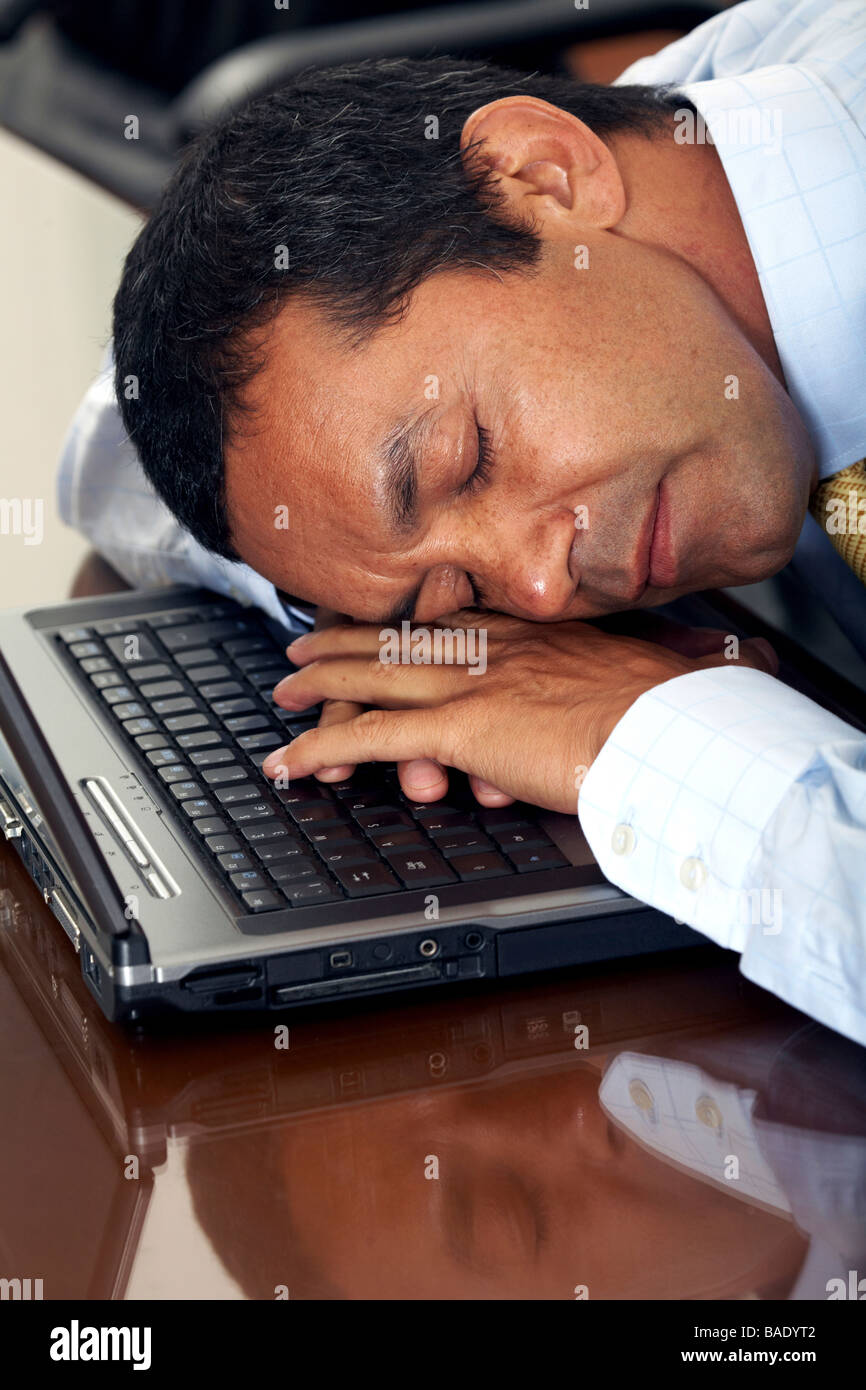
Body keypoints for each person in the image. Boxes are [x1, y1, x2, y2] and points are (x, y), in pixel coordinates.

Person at [58, 0, 866, 1044]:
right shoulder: (669, 174)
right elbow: (111, 443)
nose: (539, 591)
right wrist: (409, 600)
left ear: (543, 175)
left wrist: (647, 741)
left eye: (468, 459)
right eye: (464, 596)